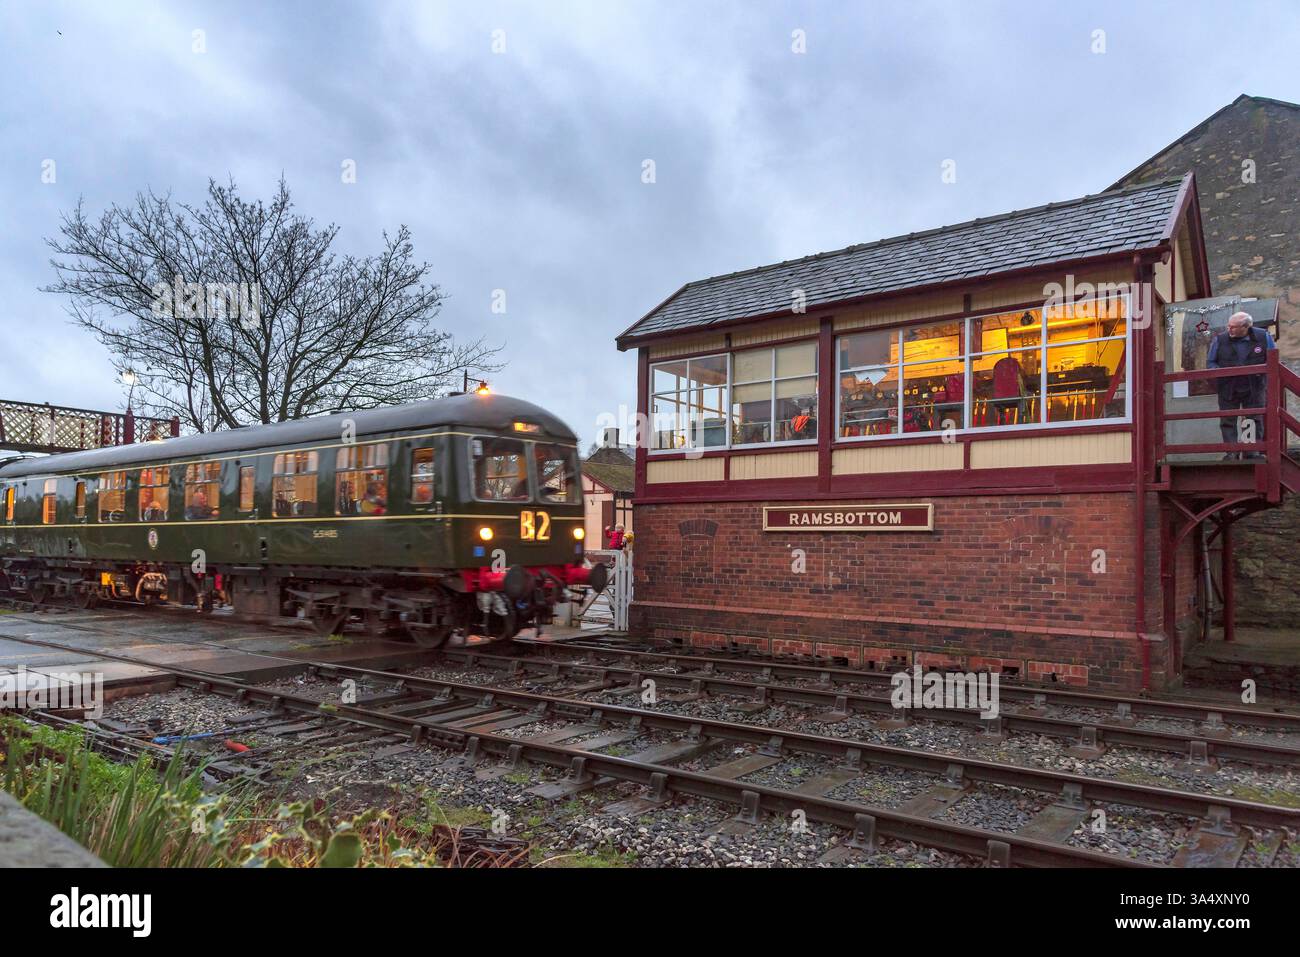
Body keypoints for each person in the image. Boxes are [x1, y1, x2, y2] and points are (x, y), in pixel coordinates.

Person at [1207, 311, 1276, 460]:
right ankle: (1231, 452)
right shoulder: (1220, 339)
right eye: (1228, 326)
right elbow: (1211, 362)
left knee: (1252, 418)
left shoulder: (1263, 337)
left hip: (1254, 385)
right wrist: (1219, 375)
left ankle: (1250, 451)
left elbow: (1273, 359)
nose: (1229, 329)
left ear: (1246, 327)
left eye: (1233, 327)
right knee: (1228, 419)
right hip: (1228, 385)